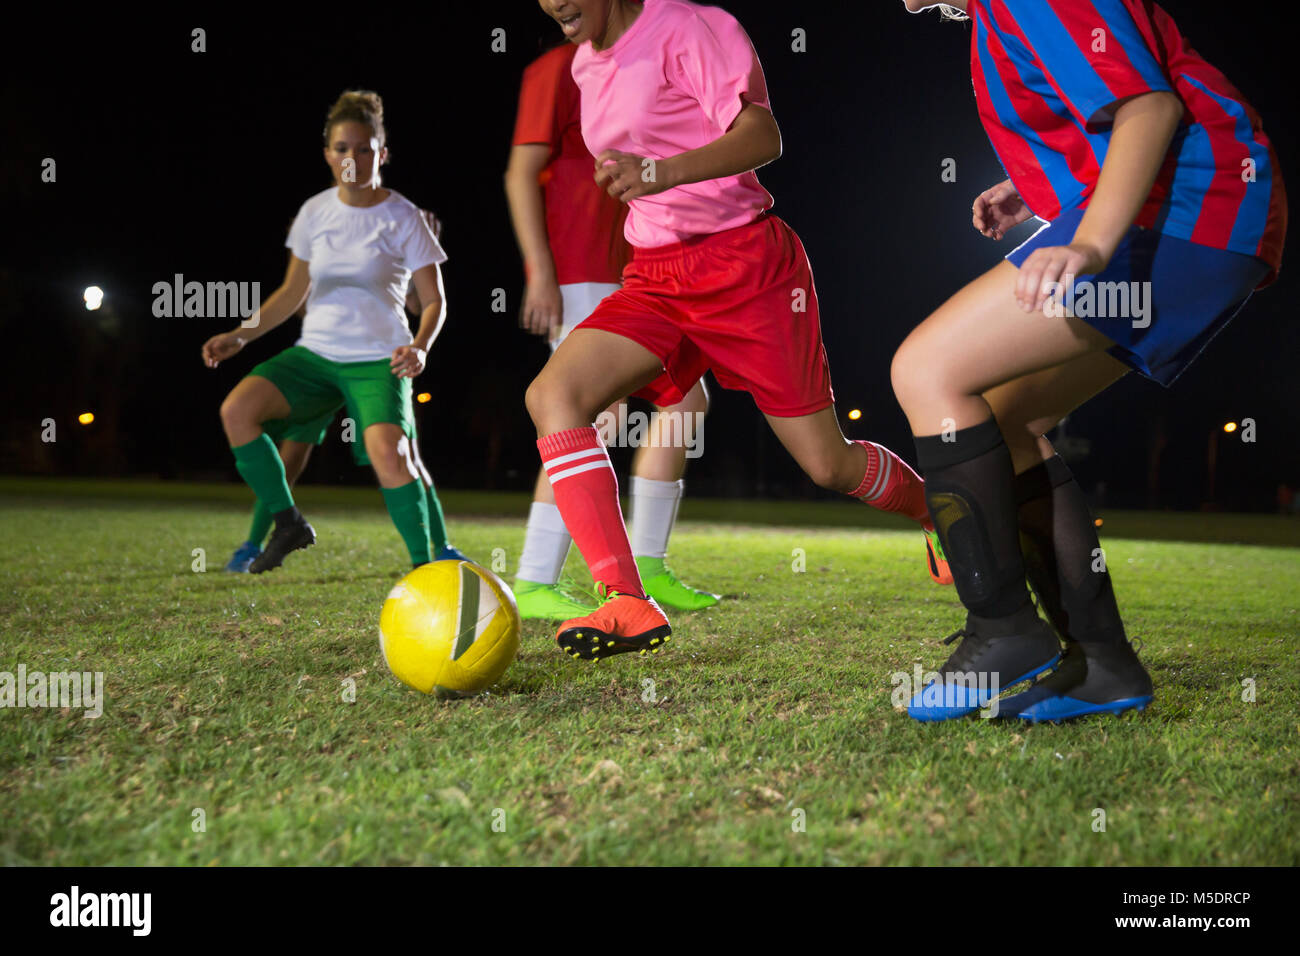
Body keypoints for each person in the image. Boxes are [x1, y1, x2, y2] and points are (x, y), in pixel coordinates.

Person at [894, 0, 1286, 721]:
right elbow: (1110, 100)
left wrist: (1092, 241)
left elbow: (1147, 105)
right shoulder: (990, 14)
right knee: (1008, 420)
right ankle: (1103, 665)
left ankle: (1003, 627)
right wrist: (1048, 187)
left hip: (1196, 209)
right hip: (1197, 209)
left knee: (928, 369)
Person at [528, 0, 951, 661]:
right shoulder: (585, 64)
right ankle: (627, 599)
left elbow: (763, 137)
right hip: (658, 277)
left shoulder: (691, 25)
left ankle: (939, 512)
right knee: (554, 395)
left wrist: (658, 173)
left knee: (827, 464)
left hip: (746, 268)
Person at [202, 91, 463, 572]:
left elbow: (434, 301)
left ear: (381, 154)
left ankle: (427, 567)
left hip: (378, 358)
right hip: (315, 357)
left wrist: (421, 346)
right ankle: (286, 525)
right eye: (342, 148)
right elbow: (290, 292)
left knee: (392, 452)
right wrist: (241, 335)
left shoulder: (404, 217)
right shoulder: (314, 212)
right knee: (237, 410)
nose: (352, 158)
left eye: (364, 149)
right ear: (327, 154)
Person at [506, 35, 718, 619]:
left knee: (686, 402)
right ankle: (533, 578)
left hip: (644, 265)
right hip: (583, 265)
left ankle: (648, 561)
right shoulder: (554, 67)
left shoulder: (646, 62)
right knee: (590, 415)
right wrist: (540, 272)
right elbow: (520, 175)